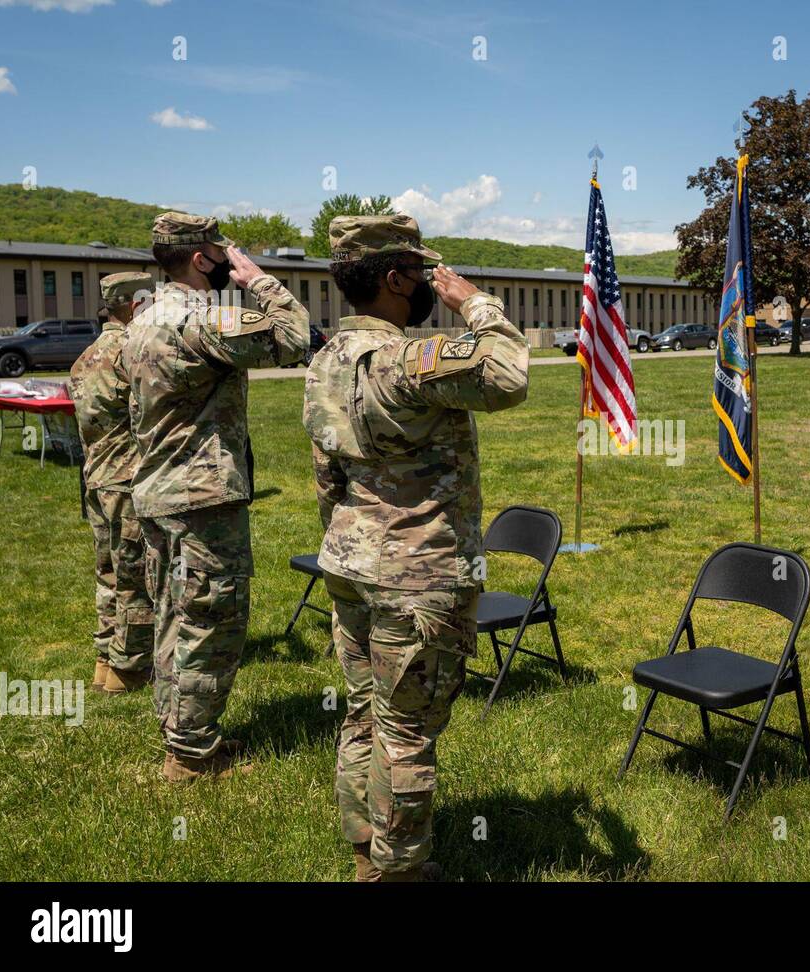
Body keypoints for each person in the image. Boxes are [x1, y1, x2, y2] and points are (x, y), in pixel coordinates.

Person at [302, 214, 529, 881]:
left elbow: (327, 475)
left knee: (363, 715)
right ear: (396, 278)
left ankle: (366, 852)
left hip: (349, 560)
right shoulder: (405, 357)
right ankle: (398, 871)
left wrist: (344, 542)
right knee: (406, 733)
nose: (435, 285)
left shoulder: (325, 360)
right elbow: (511, 375)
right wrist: (472, 302)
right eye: (425, 274)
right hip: (418, 573)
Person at [125, 212, 309, 782]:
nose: (231, 259)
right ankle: (192, 753)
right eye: (222, 252)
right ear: (203, 259)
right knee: (211, 618)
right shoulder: (200, 317)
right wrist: (259, 279)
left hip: (158, 489)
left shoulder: (145, 315)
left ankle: (179, 731)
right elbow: (294, 337)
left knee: (173, 614)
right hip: (200, 496)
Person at [69, 271, 156, 695]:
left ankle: (105, 657)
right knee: (134, 575)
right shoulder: (132, 351)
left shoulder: (85, 357)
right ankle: (130, 667)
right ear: (134, 305)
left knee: (107, 572)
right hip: (126, 481)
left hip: (96, 479)